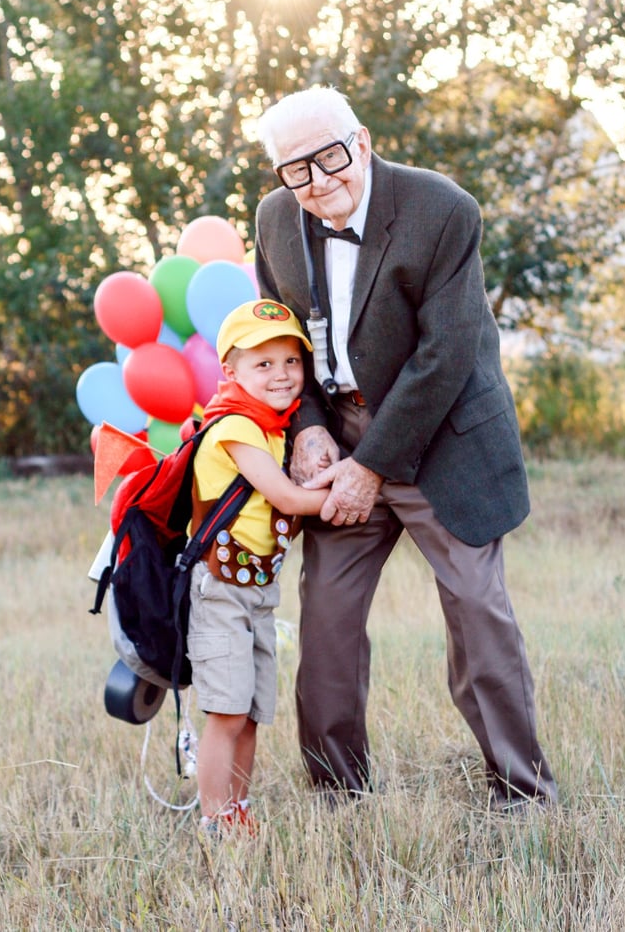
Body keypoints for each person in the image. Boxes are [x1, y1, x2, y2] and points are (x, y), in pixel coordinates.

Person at [253, 85, 558, 812]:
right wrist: (309, 428)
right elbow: (282, 345)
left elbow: (448, 352)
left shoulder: (442, 209)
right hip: (340, 440)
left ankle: (522, 793)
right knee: (326, 617)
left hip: (440, 436)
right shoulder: (272, 222)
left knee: (478, 611)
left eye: (328, 158)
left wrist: (374, 464)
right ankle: (338, 793)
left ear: (360, 140)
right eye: (296, 170)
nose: (318, 182)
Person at [188, 298, 330, 836]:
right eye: (263, 364)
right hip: (222, 590)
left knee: (249, 713)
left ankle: (238, 811)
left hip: (257, 590)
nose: (281, 375)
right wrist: (353, 492)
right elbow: (288, 500)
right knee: (225, 713)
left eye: (291, 362)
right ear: (231, 371)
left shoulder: (274, 427)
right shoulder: (236, 427)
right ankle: (214, 820)